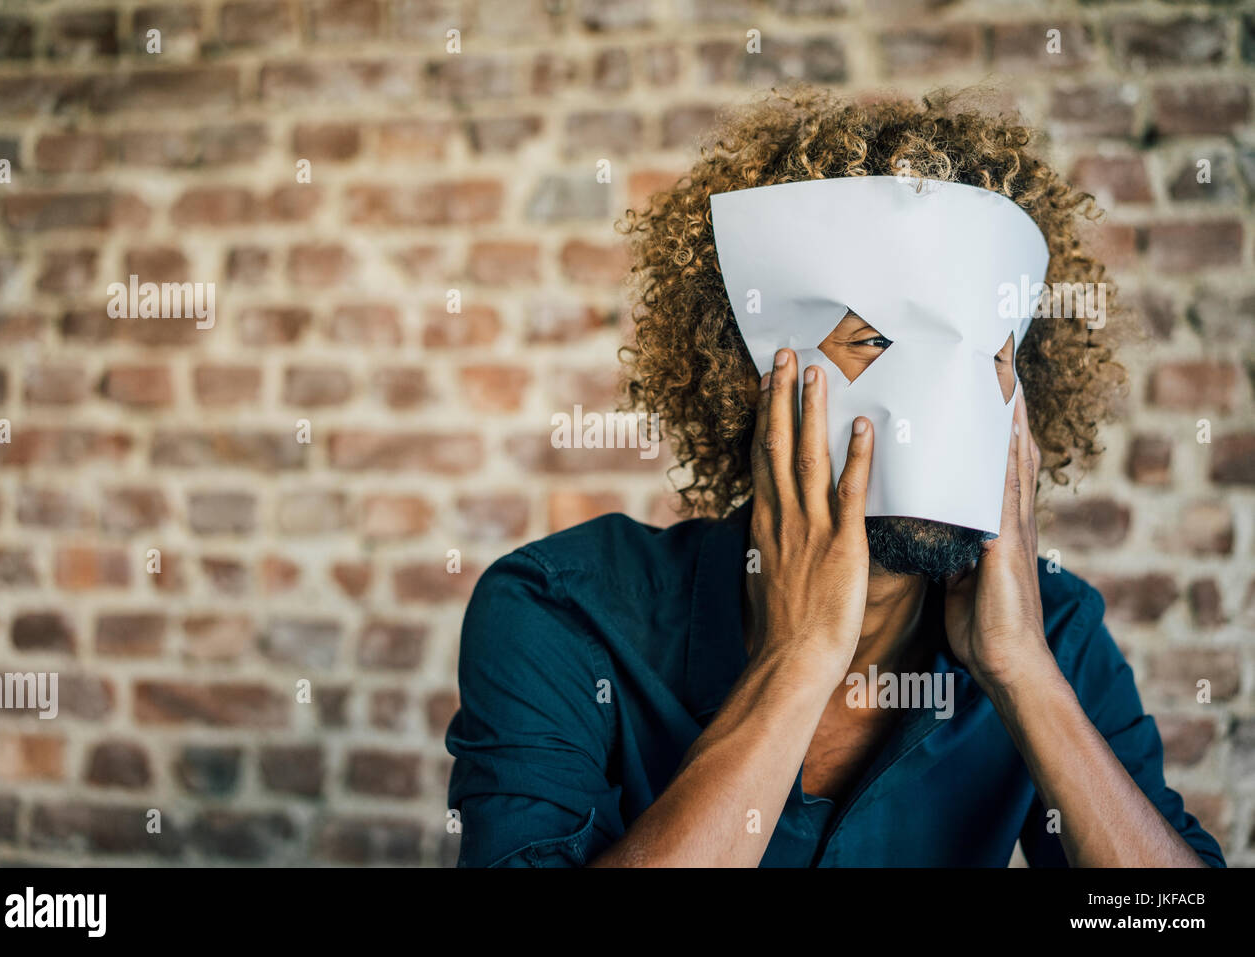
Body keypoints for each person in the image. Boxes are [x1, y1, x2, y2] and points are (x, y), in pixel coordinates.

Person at [443, 84, 1226, 868]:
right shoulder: (564, 610)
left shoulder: (1051, 632)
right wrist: (800, 659)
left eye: (987, 354)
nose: (937, 405)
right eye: (873, 343)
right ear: (749, 373)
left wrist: (1024, 674)